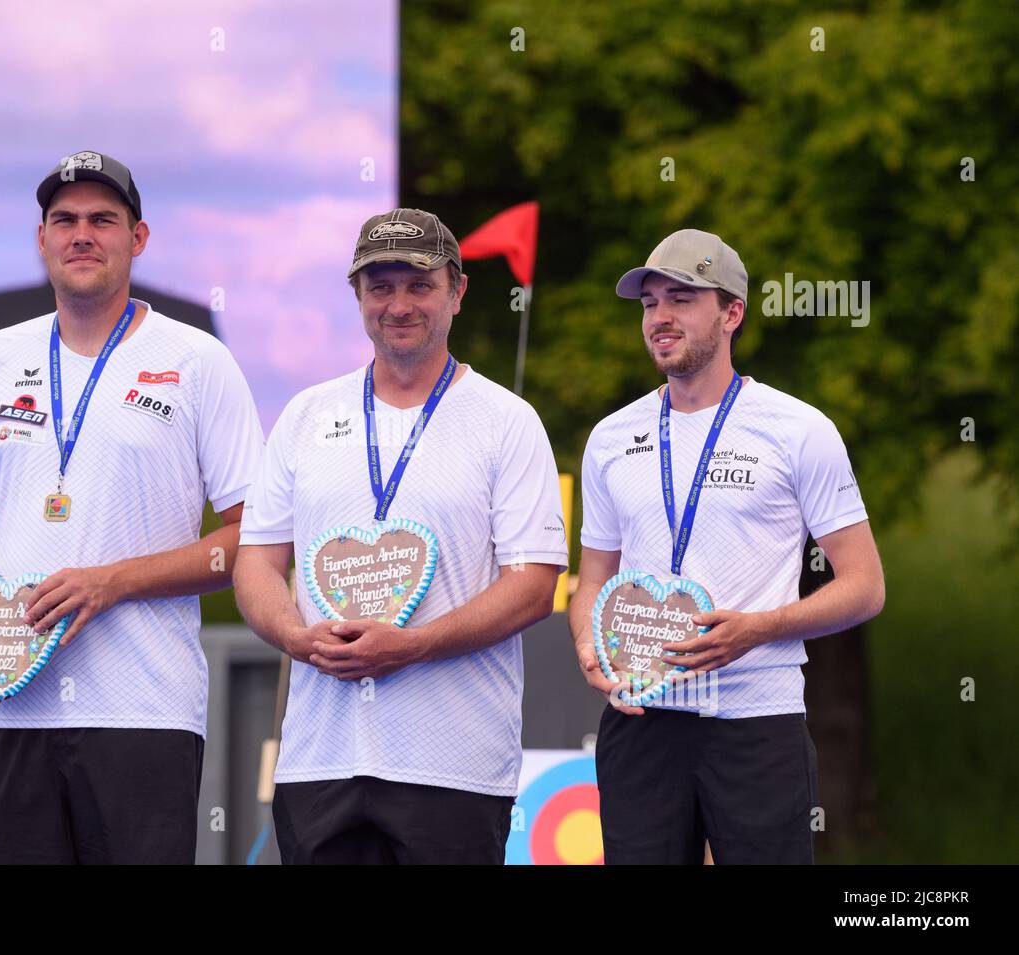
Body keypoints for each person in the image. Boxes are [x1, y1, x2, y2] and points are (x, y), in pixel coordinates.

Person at [0, 150, 264, 864]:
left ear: (137, 238)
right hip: (13, 709)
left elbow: (254, 541)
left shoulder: (199, 360)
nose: (82, 233)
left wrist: (112, 582)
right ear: (42, 239)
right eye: (64, 219)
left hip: (144, 710)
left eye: (103, 219)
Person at [234, 208, 567, 864]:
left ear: (458, 291)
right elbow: (256, 565)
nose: (399, 304)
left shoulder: (507, 420)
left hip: (453, 766)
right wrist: (294, 634)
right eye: (381, 286)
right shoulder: (306, 414)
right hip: (319, 760)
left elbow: (533, 586)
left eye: (420, 285)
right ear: (357, 295)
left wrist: (412, 645)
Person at [569, 228, 885, 864]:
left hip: (757, 719)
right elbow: (594, 577)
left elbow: (864, 586)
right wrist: (587, 642)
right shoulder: (611, 436)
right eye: (649, 302)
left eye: (681, 299)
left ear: (732, 312)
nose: (660, 317)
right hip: (642, 719)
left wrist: (758, 628)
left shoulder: (799, 429)